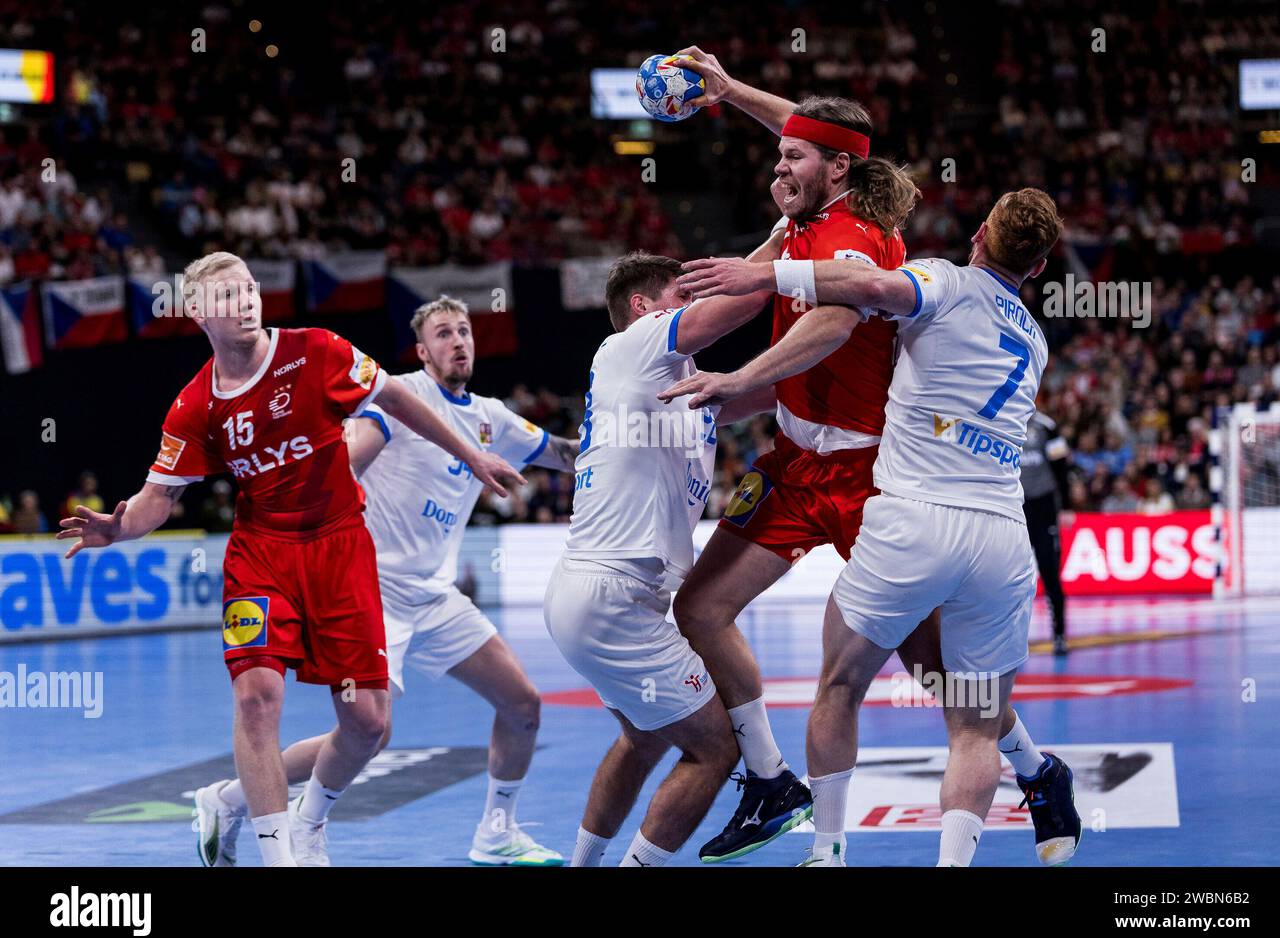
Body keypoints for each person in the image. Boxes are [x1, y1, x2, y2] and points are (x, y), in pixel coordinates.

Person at [59, 251, 523, 867]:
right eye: (228, 295)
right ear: (198, 312)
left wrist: (470, 453)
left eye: (250, 289)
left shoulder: (318, 351)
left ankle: (235, 803)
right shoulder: (195, 406)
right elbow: (159, 497)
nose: (246, 300)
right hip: (262, 555)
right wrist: (117, 530)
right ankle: (280, 857)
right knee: (256, 698)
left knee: (367, 724)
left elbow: (397, 398)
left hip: (342, 550)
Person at [667, 188, 1083, 867]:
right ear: (1037, 270)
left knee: (845, 686)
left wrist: (763, 271)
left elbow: (863, 286)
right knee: (968, 722)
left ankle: (828, 853)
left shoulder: (941, 279)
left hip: (910, 516)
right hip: (1001, 538)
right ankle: (1013, 798)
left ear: (977, 234)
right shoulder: (1035, 340)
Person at [194, 294, 580, 867]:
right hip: (373, 587)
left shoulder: (491, 418)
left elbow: (567, 456)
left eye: (465, 330)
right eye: (444, 334)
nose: (459, 342)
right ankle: (278, 815)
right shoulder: (400, 398)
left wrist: (629, 431)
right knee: (369, 732)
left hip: (435, 595)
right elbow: (350, 452)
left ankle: (496, 830)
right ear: (424, 352)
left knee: (522, 703)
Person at [545, 249, 779, 867]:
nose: (696, 303)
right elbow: (743, 301)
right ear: (644, 309)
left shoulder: (679, 394)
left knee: (643, 737)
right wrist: (787, 243)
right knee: (714, 750)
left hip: (600, 596)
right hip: (614, 595)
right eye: (684, 294)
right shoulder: (629, 347)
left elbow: (771, 388)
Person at [1020, 408, 1071, 654]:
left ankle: (1059, 634)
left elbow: (1062, 466)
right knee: (1009, 579)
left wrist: (1067, 506)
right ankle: (1011, 639)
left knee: (1050, 573)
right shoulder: (1000, 421)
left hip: (1043, 507)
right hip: (1015, 509)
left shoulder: (1046, 426)